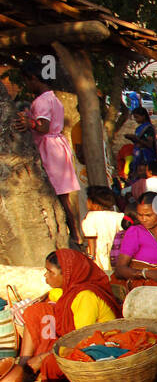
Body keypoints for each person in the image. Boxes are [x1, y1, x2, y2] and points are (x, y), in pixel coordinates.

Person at [16, 249, 120, 382]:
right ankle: (23, 364)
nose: (45, 275)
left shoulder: (85, 297)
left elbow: (80, 340)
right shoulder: (70, 290)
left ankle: (37, 370)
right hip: (77, 341)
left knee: (51, 362)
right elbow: (53, 294)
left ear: (67, 274)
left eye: (50, 272)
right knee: (36, 311)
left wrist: (42, 358)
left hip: (95, 346)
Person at [18, 59, 83, 245]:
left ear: (32, 78)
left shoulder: (41, 101)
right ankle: (75, 233)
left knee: (55, 194)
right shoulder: (53, 98)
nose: (27, 86)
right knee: (63, 197)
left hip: (49, 150)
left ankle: (73, 234)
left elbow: (43, 126)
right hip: (58, 147)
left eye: (27, 81)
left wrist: (28, 123)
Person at [113, 192, 157, 291]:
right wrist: (147, 273)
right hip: (144, 289)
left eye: (148, 215)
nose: (143, 219)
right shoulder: (135, 232)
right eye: (140, 215)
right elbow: (119, 270)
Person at [81, 186, 126, 275]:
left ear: (93, 203)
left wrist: (91, 257)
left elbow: (91, 239)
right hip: (117, 252)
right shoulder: (119, 216)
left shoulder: (90, 217)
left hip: (99, 253)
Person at [125, 107, 157, 174]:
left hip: (146, 156)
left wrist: (136, 138)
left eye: (137, 117)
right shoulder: (139, 128)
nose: (135, 119)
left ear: (143, 116)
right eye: (134, 117)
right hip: (138, 155)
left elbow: (149, 144)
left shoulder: (148, 128)